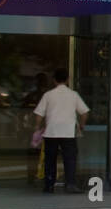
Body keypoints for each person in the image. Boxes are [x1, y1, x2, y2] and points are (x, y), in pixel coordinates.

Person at [32, 66, 88, 194]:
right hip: (68, 132)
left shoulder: (48, 95)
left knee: (50, 158)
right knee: (70, 159)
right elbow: (84, 113)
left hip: (51, 131)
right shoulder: (74, 95)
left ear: (54, 80)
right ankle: (70, 184)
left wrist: (37, 127)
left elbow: (39, 114)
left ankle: (49, 185)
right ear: (67, 80)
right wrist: (81, 126)